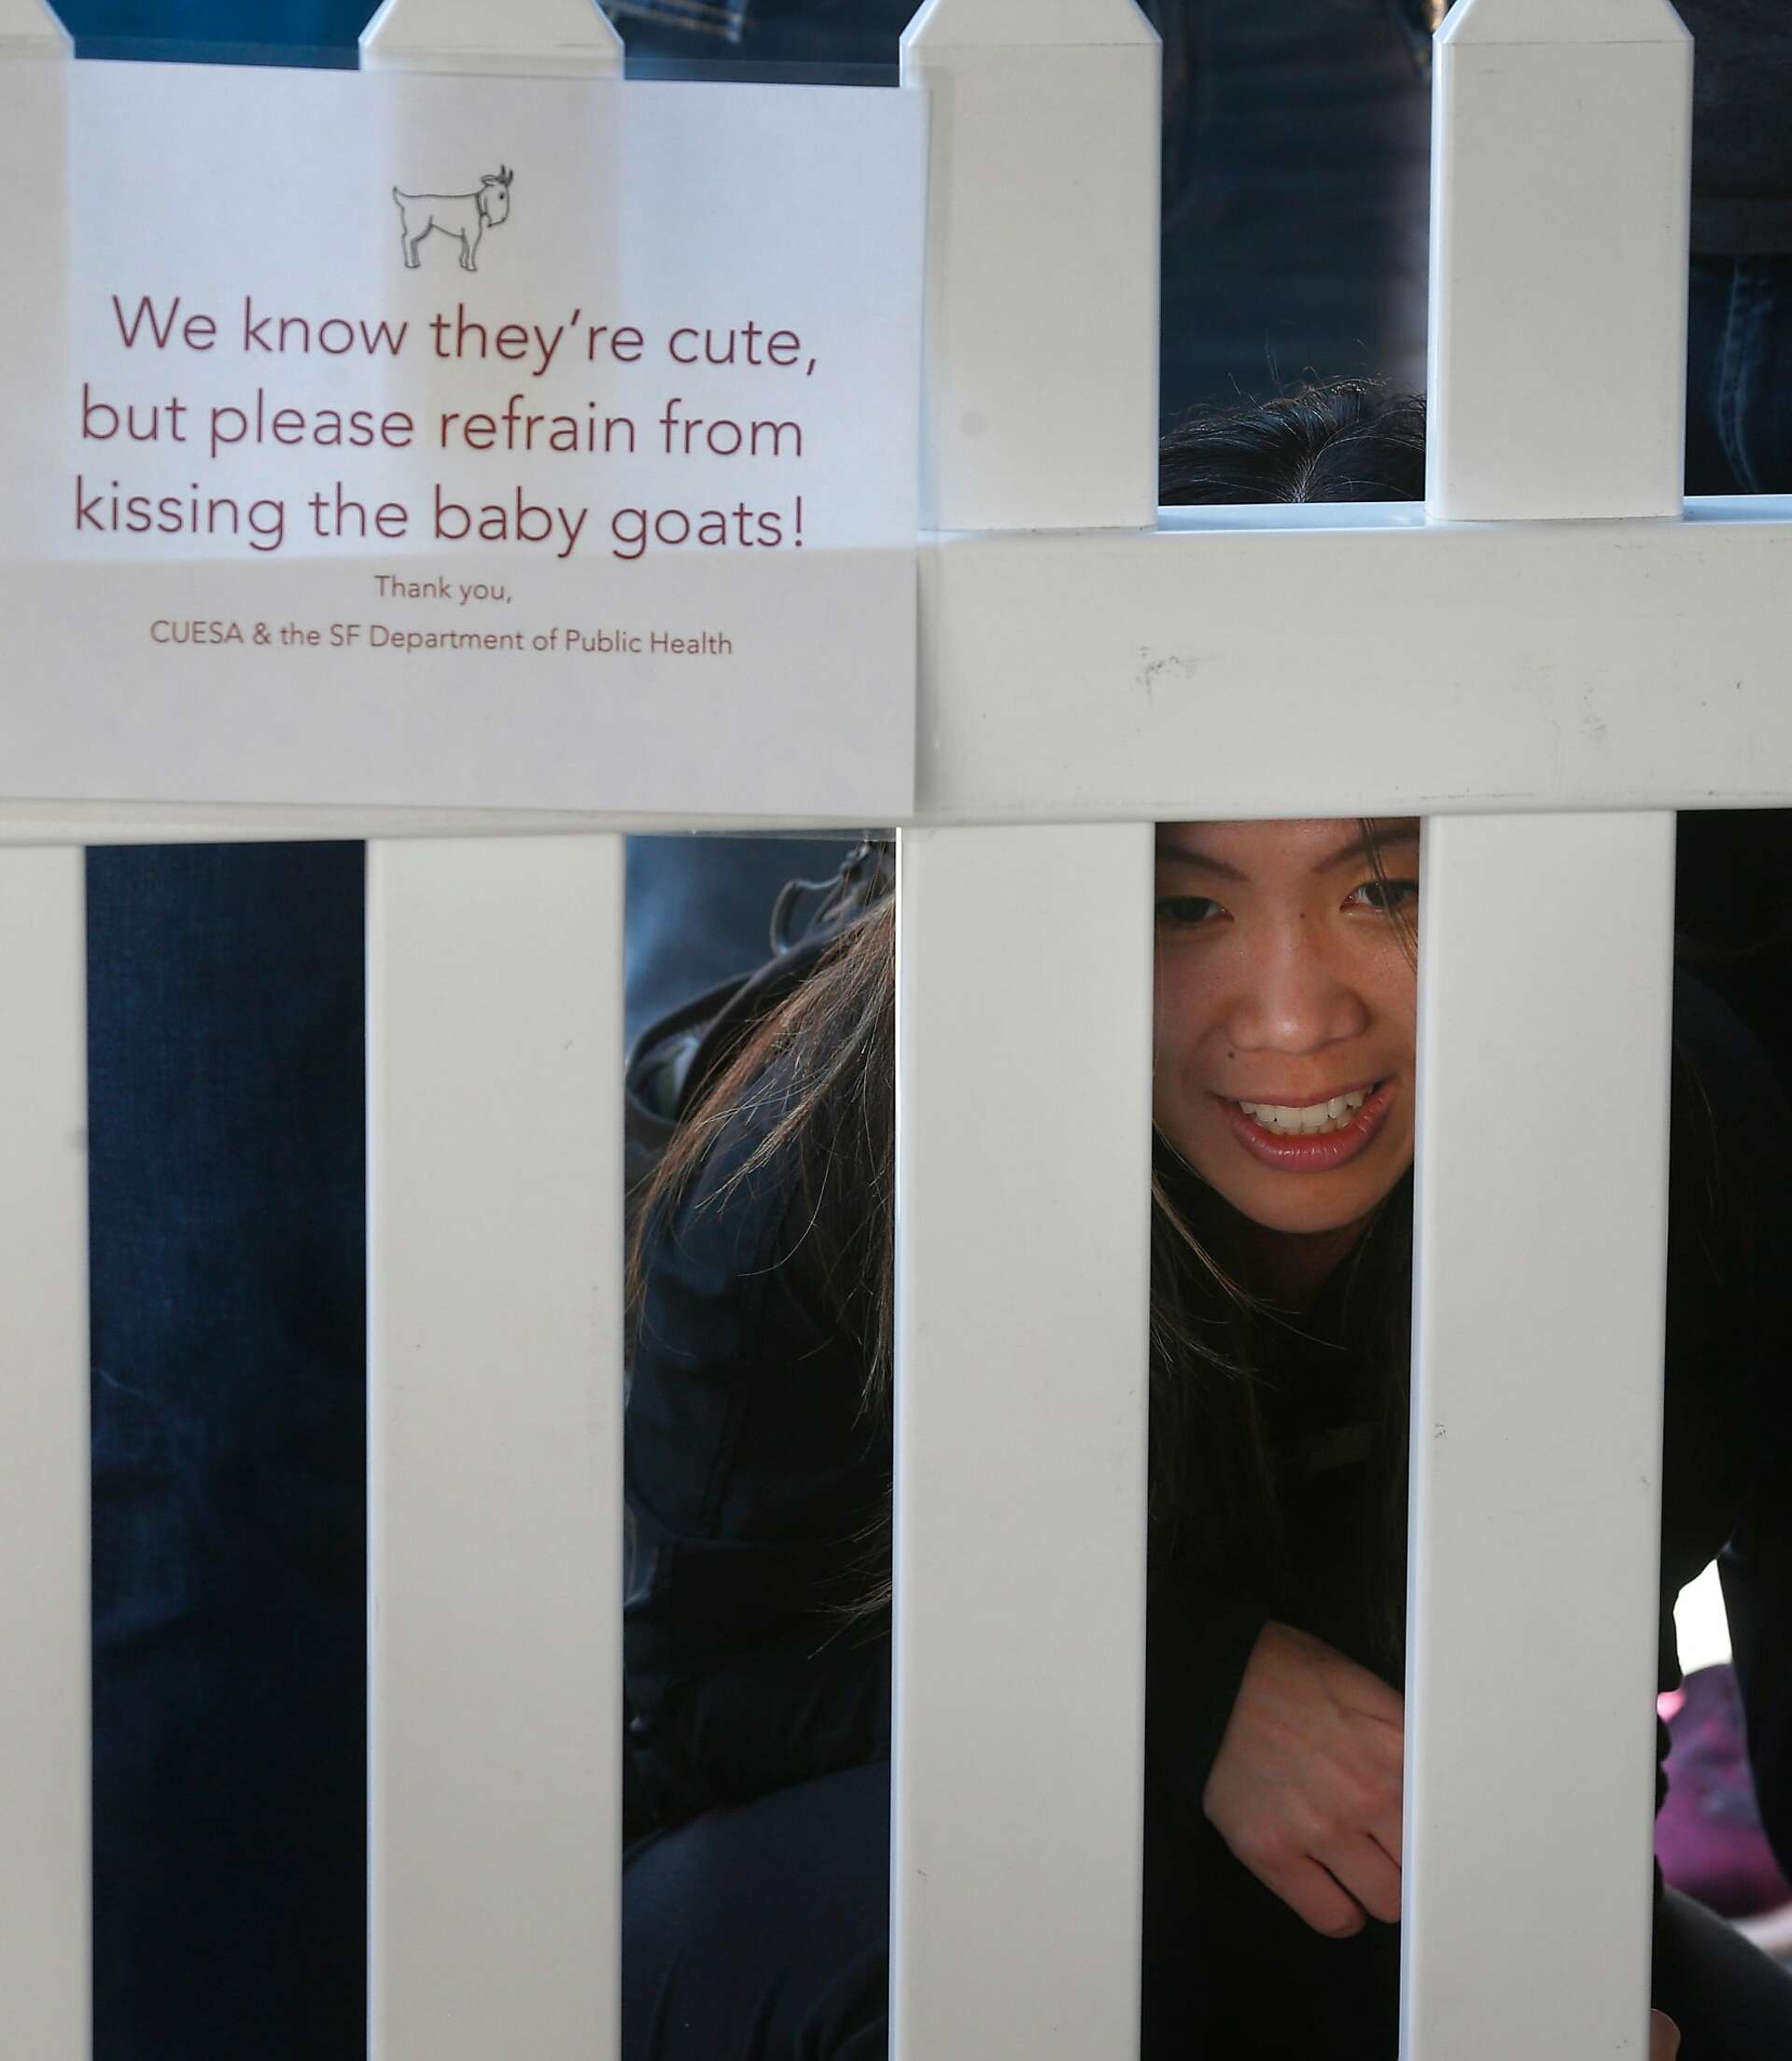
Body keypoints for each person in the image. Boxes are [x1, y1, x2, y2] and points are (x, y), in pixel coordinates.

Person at [620, 382, 1792, 2058]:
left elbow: (1566, 1704)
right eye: (1186, 906)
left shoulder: (1670, 1123)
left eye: (1385, 887)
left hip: (1345, 1905)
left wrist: (1544, 1962)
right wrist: (1177, 1692)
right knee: (1010, 1924)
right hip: (861, 1901)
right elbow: (706, 1705)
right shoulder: (816, 1159)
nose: (1296, 1017)